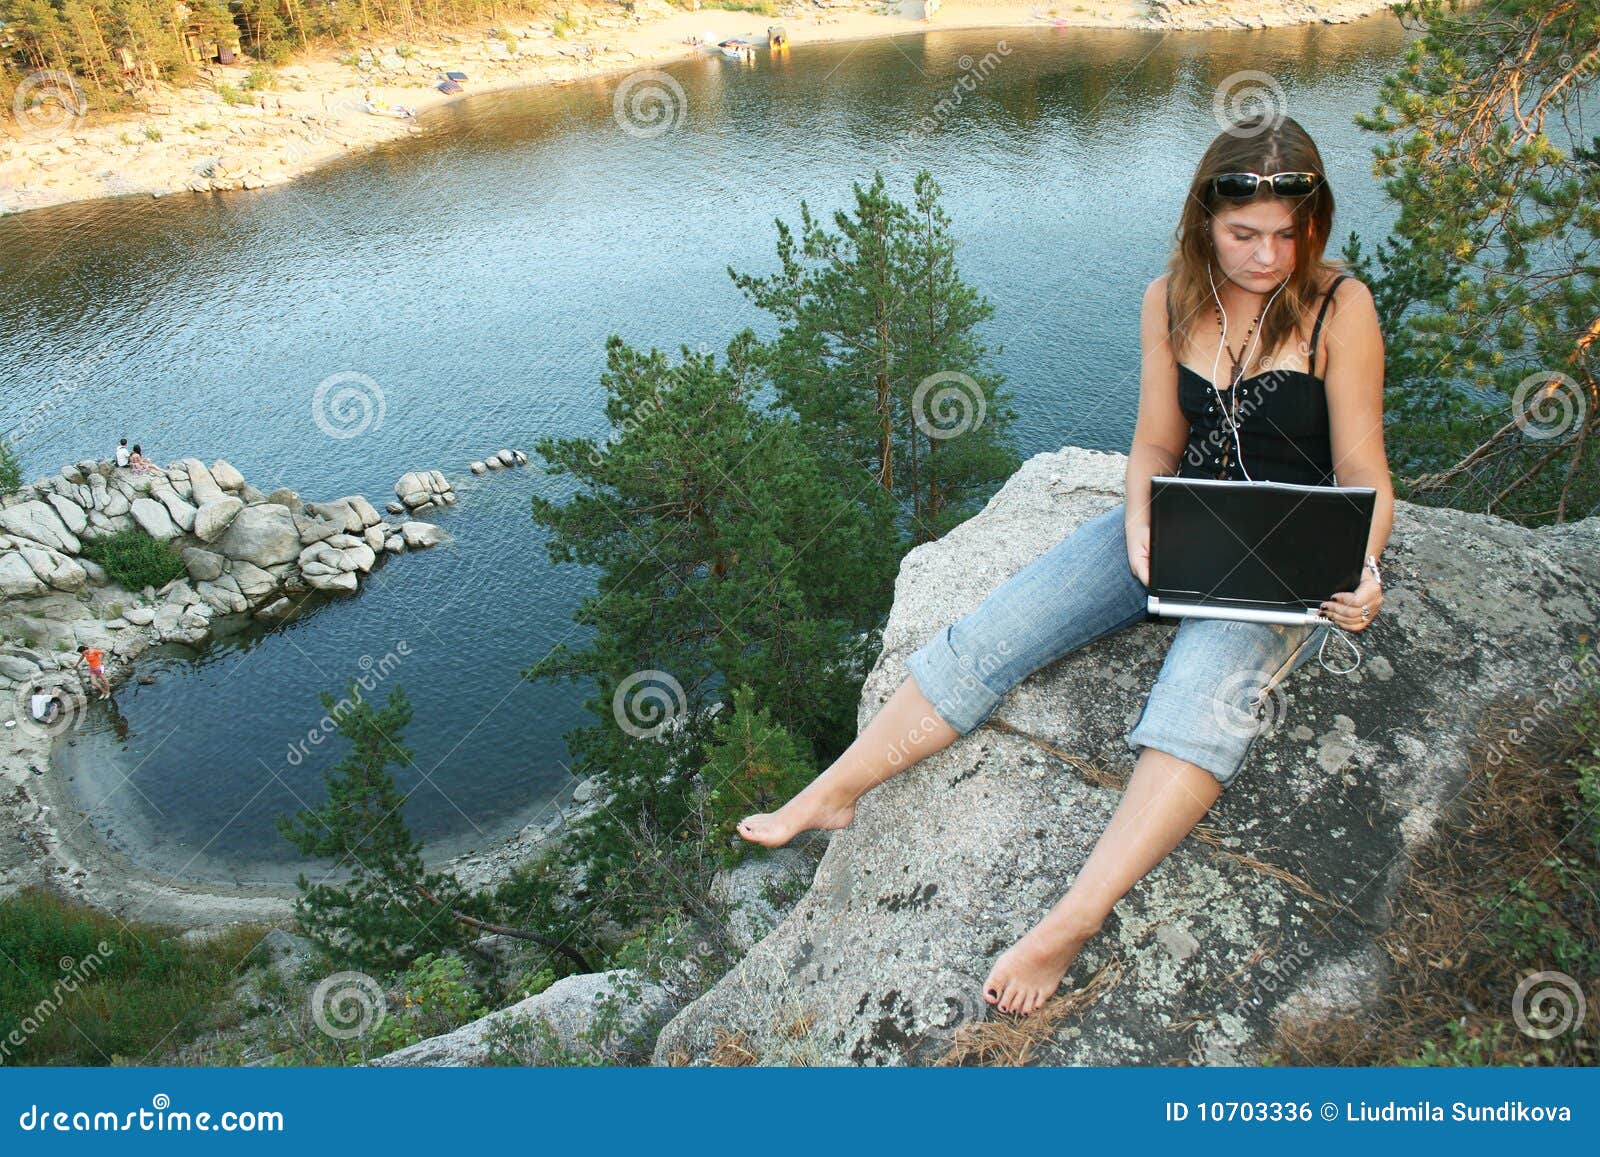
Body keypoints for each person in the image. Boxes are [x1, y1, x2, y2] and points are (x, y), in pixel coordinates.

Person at [737, 113, 1395, 1017]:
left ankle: (1073, 919)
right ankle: (836, 789)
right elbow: (1155, 440)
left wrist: (1361, 566)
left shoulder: (1339, 307)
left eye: (1289, 234)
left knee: (1193, 708)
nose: (1268, 255)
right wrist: (1137, 524)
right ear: (1206, 216)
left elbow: (1364, 470)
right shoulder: (1168, 298)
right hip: (1182, 517)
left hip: (1285, 555)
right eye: (1246, 234)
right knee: (998, 629)